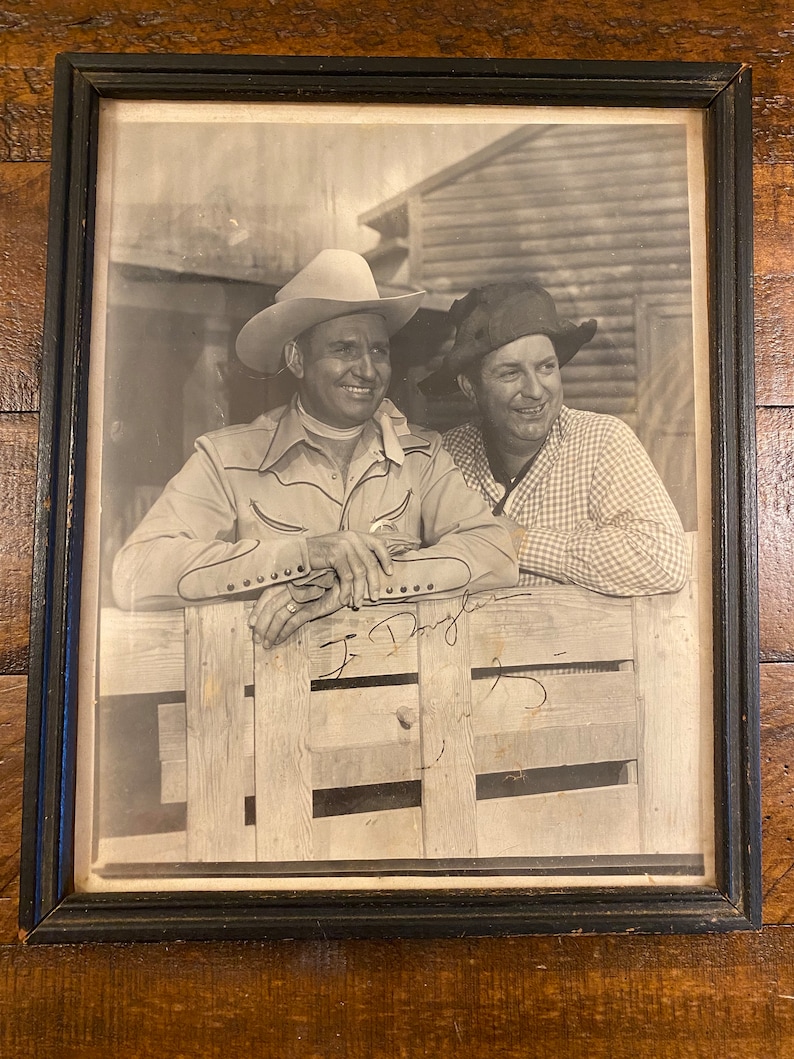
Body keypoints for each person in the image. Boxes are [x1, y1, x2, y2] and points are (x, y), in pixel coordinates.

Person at [112, 250, 518, 646]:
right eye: (344, 349)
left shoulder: (421, 456)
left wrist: (341, 582)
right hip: (269, 702)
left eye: (379, 350)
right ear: (297, 359)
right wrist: (301, 557)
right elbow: (136, 572)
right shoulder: (229, 458)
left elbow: (496, 552)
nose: (367, 369)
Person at [421, 279, 688, 597]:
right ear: (470, 388)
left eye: (546, 367)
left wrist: (518, 541)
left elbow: (663, 562)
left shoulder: (602, 441)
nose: (535, 391)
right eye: (510, 373)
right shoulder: (446, 456)